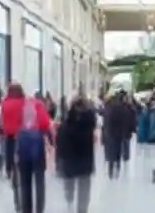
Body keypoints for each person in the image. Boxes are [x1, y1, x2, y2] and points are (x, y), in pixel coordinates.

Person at [9, 85, 53, 213]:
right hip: (37, 147)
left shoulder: (17, 106)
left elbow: (11, 127)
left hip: (22, 147)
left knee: (25, 182)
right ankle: (39, 209)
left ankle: (26, 209)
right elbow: (45, 123)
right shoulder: (38, 105)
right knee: (39, 181)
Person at [58, 96, 98, 213]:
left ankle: (69, 200)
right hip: (85, 160)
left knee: (69, 183)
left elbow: (61, 140)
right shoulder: (90, 121)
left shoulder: (67, 121)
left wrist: (60, 157)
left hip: (70, 159)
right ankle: (82, 209)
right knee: (84, 187)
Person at [103, 92, 130, 179]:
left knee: (111, 152)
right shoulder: (122, 109)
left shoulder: (109, 109)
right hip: (119, 133)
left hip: (110, 133)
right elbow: (125, 121)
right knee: (118, 150)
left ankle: (111, 170)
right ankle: (117, 167)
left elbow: (106, 122)